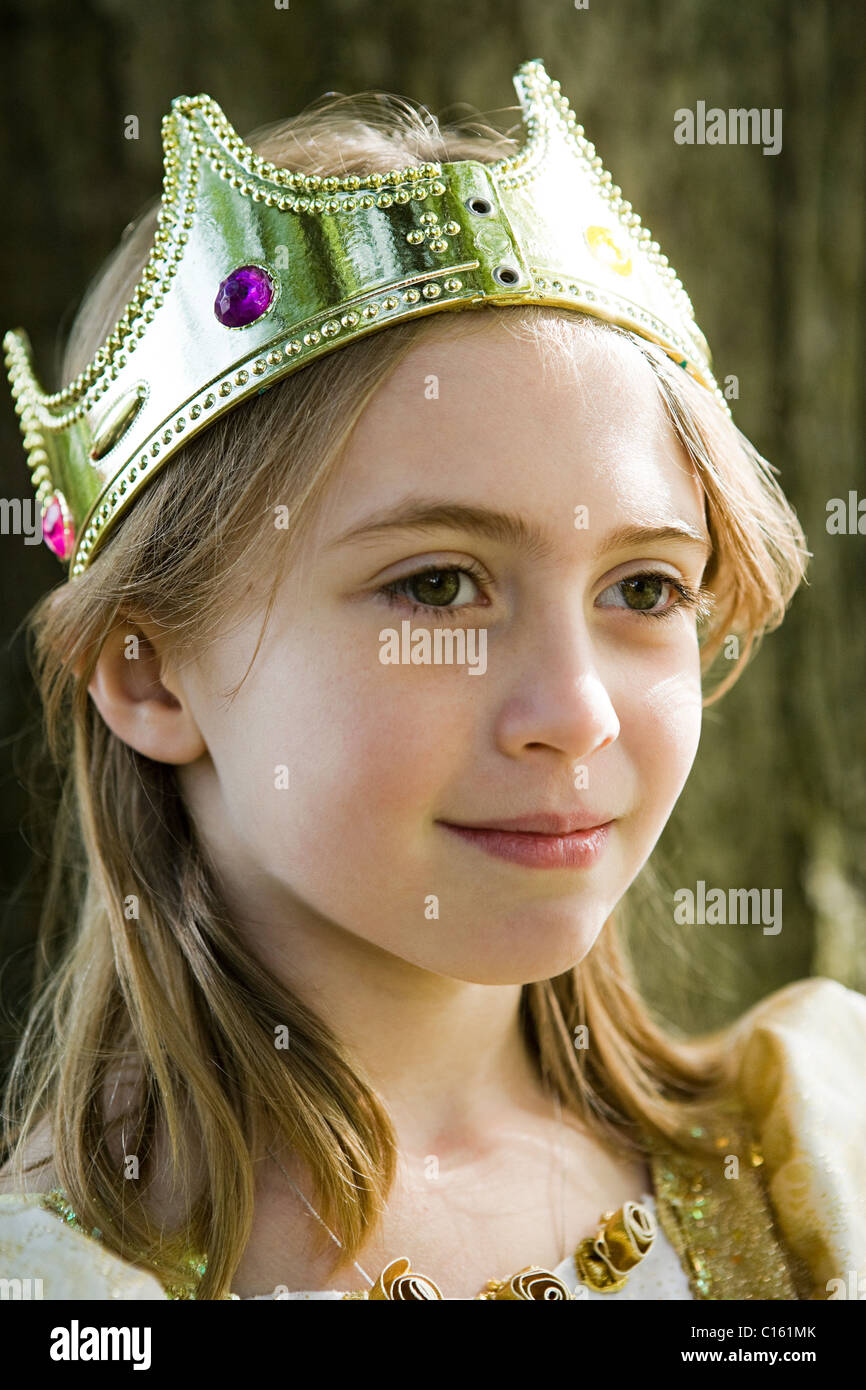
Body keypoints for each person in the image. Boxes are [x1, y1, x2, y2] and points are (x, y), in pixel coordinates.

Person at [1, 59, 864, 1302]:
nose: (575, 714)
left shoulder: (815, 1175)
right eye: (438, 587)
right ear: (149, 673)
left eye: (643, 589)